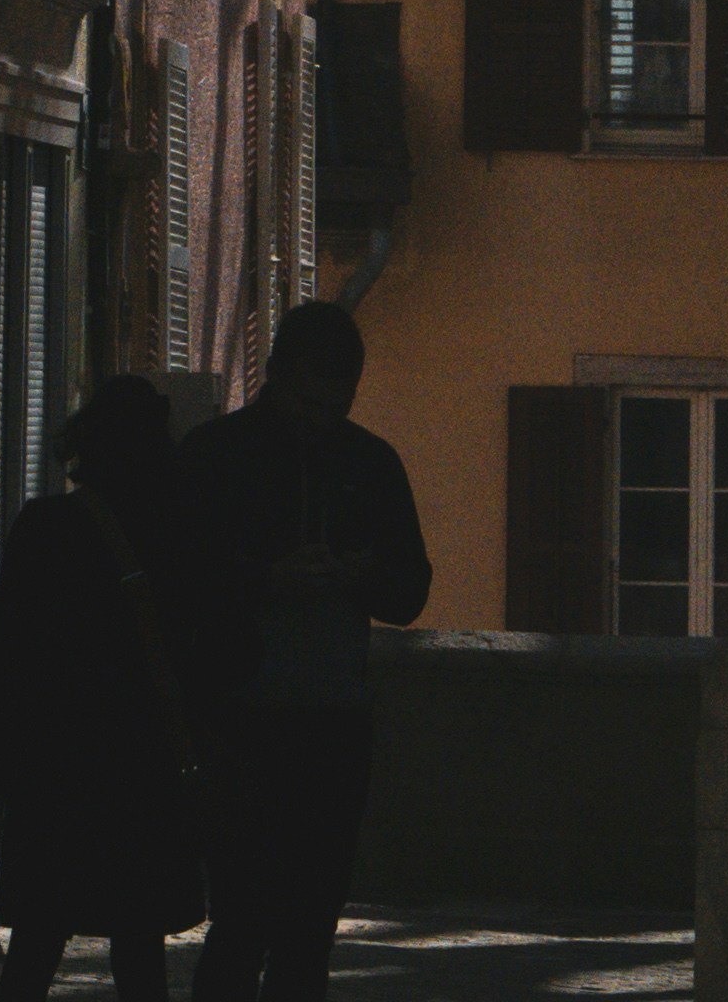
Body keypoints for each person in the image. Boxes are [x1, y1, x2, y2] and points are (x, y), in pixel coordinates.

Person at [176, 301, 432, 1002]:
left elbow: (411, 590)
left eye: (334, 404)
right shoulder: (215, 457)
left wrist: (360, 578)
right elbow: (180, 579)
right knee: (242, 926)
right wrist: (266, 579)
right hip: (243, 724)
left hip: (326, 726)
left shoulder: (369, 463)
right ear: (276, 376)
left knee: (306, 931)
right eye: (308, 401)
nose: (319, 419)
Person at [0, 373, 203, 1002]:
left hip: (56, 770)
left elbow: (10, 662)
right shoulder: (182, 534)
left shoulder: (45, 527)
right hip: (143, 767)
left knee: (37, 947)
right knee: (140, 949)